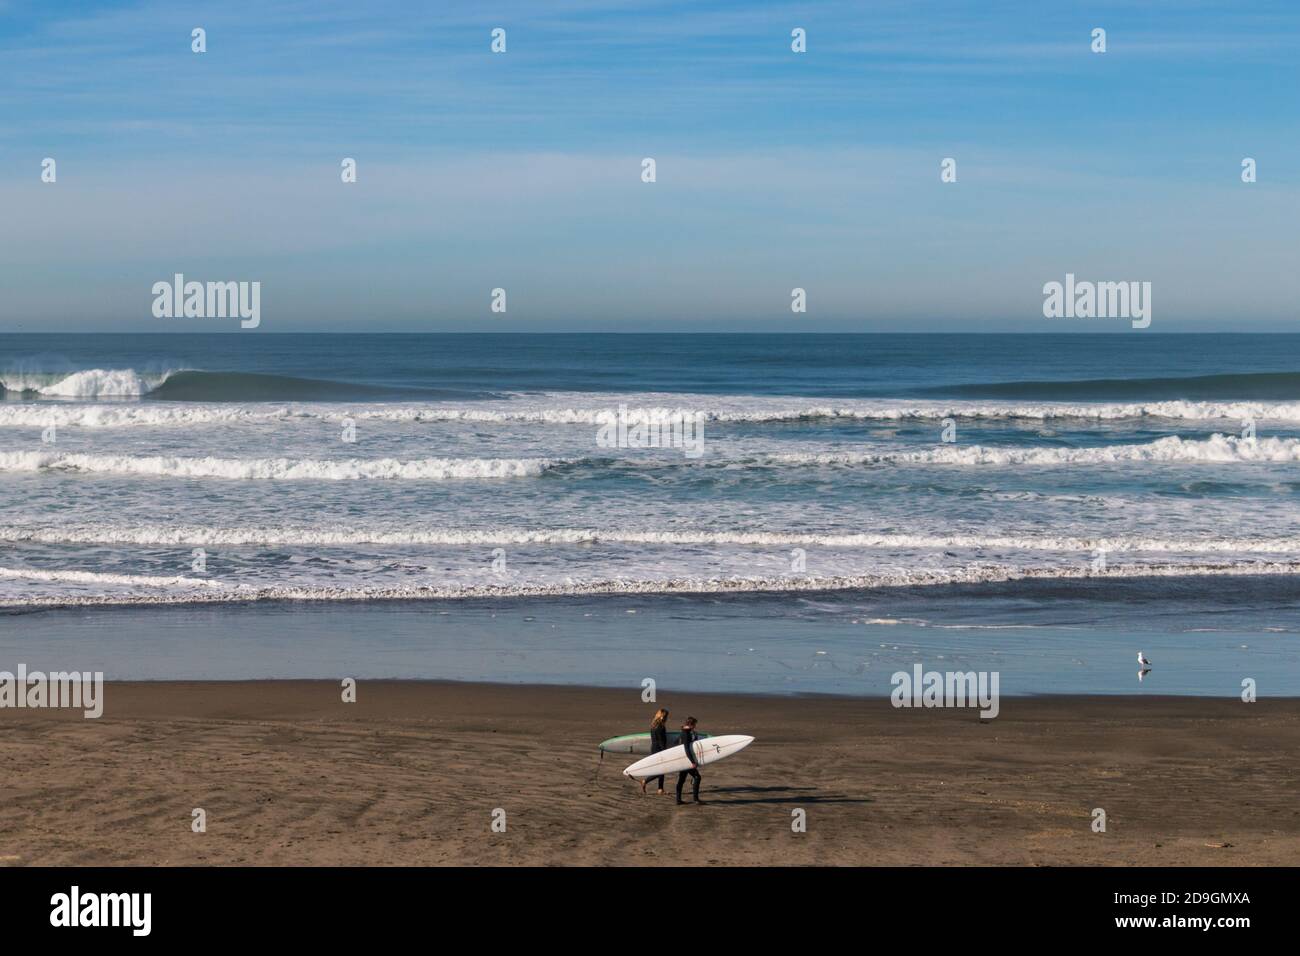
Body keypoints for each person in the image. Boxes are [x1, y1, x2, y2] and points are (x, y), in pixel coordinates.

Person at [641, 708, 670, 794]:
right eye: (666, 717)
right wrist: (665, 751)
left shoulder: (653, 725)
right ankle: (645, 781)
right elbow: (661, 741)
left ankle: (660, 789)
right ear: (663, 717)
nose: (667, 718)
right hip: (659, 749)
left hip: (654, 748)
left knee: (661, 769)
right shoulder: (661, 727)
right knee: (661, 770)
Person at [675, 716, 702, 805]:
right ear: (691, 724)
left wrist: (694, 737)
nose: (695, 727)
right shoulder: (686, 734)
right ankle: (695, 799)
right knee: (697, 777)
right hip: (687, 759)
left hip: (682, 758)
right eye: (694, 725)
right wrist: (692, 762)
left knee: (681, 779)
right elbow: (687, 749)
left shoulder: (684, 732)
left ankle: (678, 800)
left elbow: (677, 742)